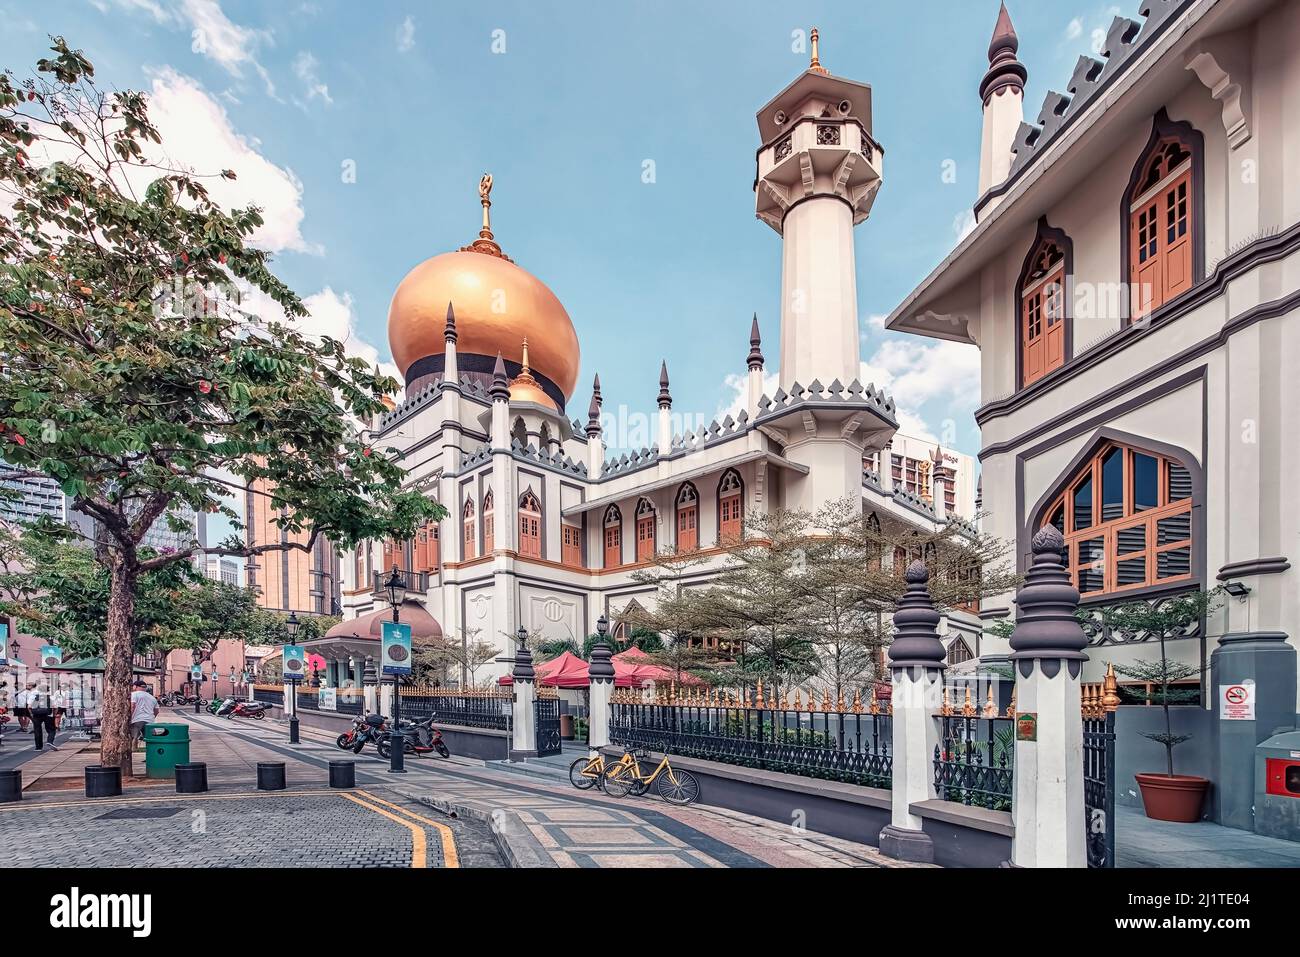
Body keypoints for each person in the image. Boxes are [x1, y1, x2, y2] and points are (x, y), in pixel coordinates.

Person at [27, 682, 58, 752]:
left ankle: (38, 747)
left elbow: (29, 706)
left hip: (36, 715)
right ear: (47, 690)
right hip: (48, 714)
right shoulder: (51, 697)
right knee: (51, 730)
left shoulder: (33, 696)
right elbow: (55, 707)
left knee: (37, 730)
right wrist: (54, 714)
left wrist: (31, 714)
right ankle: (50, 741)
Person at [130, 680, 159, 744]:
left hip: (136, 720)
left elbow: (132, 706)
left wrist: (129, 718)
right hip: (149, 721)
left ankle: (134, 750)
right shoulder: (152, 697)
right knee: (151, 739)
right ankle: (152, 750)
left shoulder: (134, 694)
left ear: (135, 686)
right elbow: (156, 711)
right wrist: (152, 717)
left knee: (134, 738)